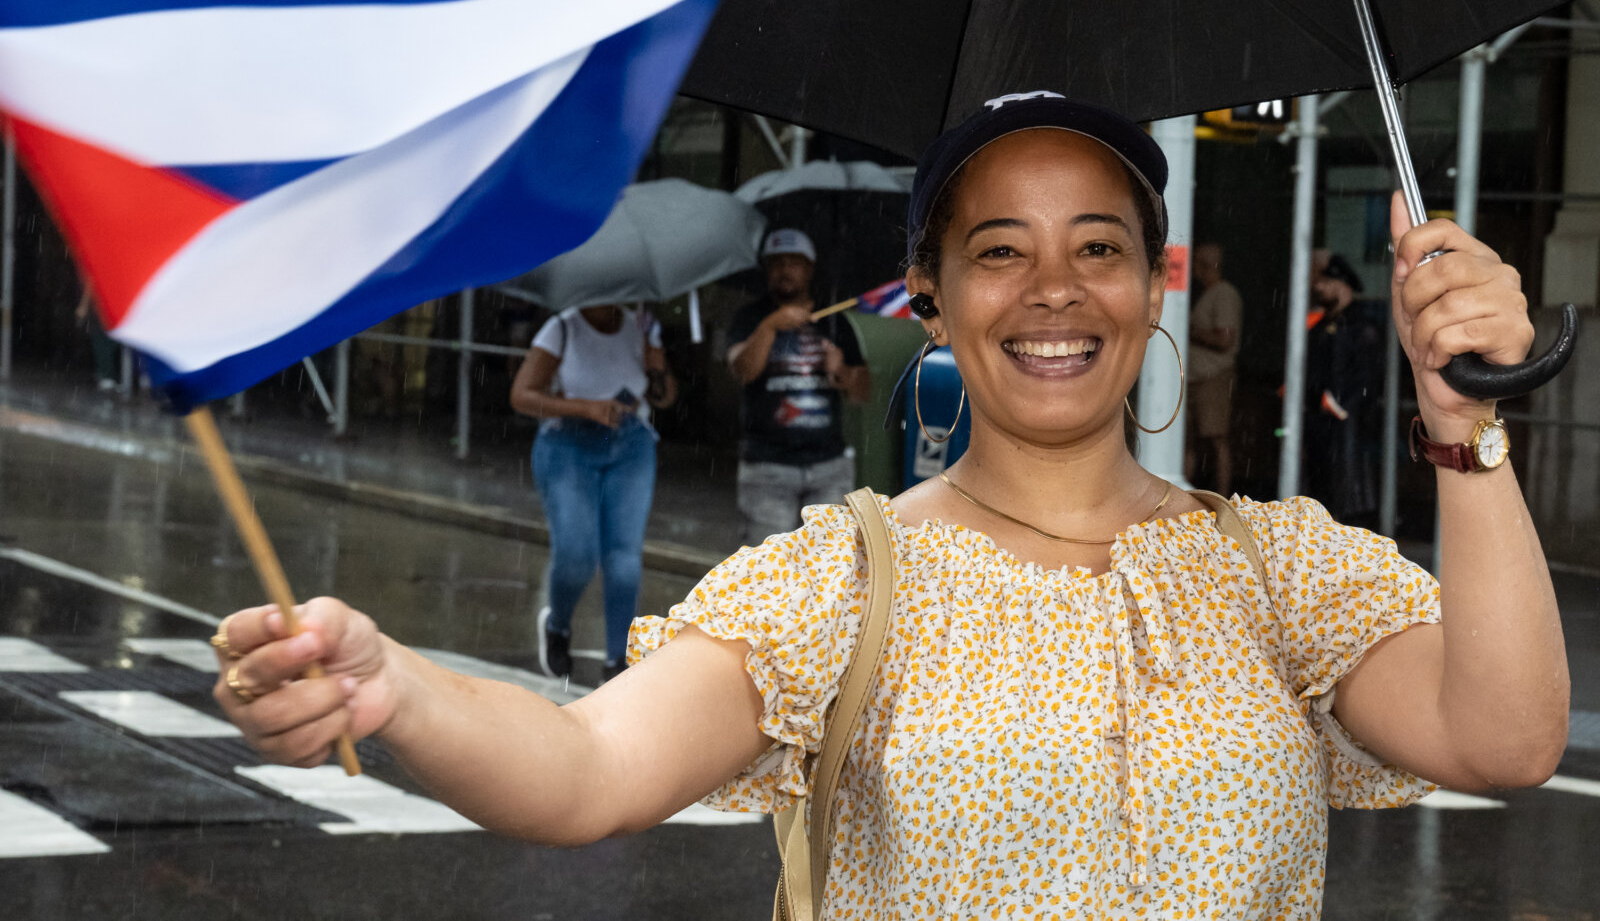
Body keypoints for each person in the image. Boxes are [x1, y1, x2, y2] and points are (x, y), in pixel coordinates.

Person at [209, 95, 1566, 919]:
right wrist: (397, 687)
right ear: (930, 293)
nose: (1053, 288)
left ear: (1150, 281)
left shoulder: (1277, 570)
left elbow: (1502, 737)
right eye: (998, 251)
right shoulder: (840, 581)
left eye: (1097, 246)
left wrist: (1464, 424)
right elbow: (589, 771)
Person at [508, 304, 677, 682]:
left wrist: (656, 362)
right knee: (576, 554)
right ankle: (558, 625)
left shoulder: (642, 325)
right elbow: (521, 395)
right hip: (568, 445)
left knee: (624, 559)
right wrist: (586, 408)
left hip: (630, 445)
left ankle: (618, 659)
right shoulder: (562, 328)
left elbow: (665, 398)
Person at [725, 228, 871, 543]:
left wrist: (842, 371)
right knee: (769, 580)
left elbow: (862, 392)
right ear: (766, 269)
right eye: (777, 262)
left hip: (828, 467)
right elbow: (743, 371)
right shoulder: (750, 318)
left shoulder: (834, 320)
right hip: (767, 467)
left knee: (827, 575)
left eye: (794, 262)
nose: (785, 270)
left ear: (810, 268)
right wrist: (770, 326)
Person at [1304, 253, 1385, 526]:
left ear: (1341, 285)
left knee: (1348, 485)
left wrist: (1342, 406)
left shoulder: (1360, 326)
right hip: (1321, 421)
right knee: (1323, 484)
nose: (1319, 288)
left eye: (1326, 282)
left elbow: (1366, 377)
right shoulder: (1322, 324)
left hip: (1346, 423)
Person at [1184, 241, 1242, 493]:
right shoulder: (1206, 294)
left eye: (1196, 262)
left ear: (1207, 265)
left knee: (1217, 439)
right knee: (1187, 441)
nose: (1193, 268)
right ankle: (1183, 495)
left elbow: (1225, 339)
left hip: (1214, 377)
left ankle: (1223, 498)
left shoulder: (1224, 294)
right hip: (1195, 377)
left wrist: (1189, 332)